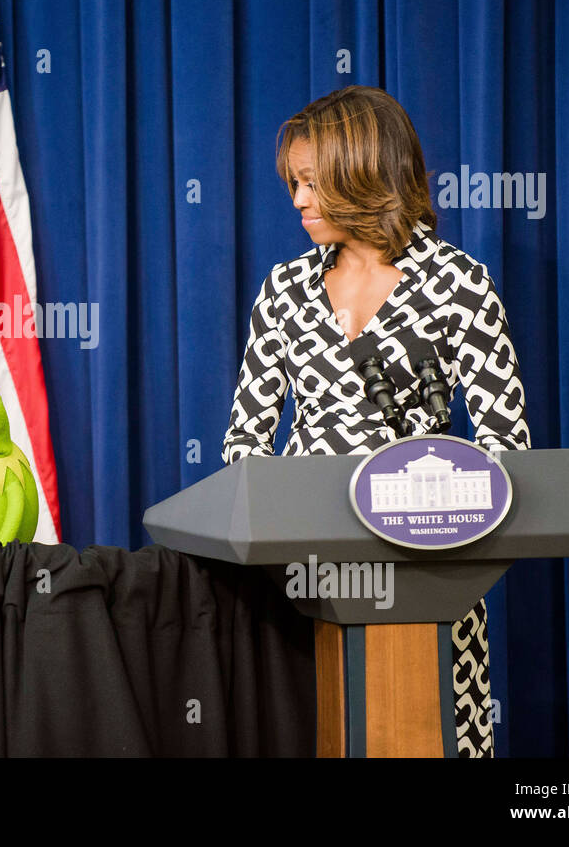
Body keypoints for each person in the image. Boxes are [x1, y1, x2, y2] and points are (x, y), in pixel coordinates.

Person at [222, 86, 530, 757]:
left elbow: (507, 446)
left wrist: (443, 524)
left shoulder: (458, 282)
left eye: (311, 182)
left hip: (429, 576)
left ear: (360, 171)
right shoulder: (284, 289)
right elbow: (245, 442)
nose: (298, 199)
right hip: (306, 583)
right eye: (294, 183)